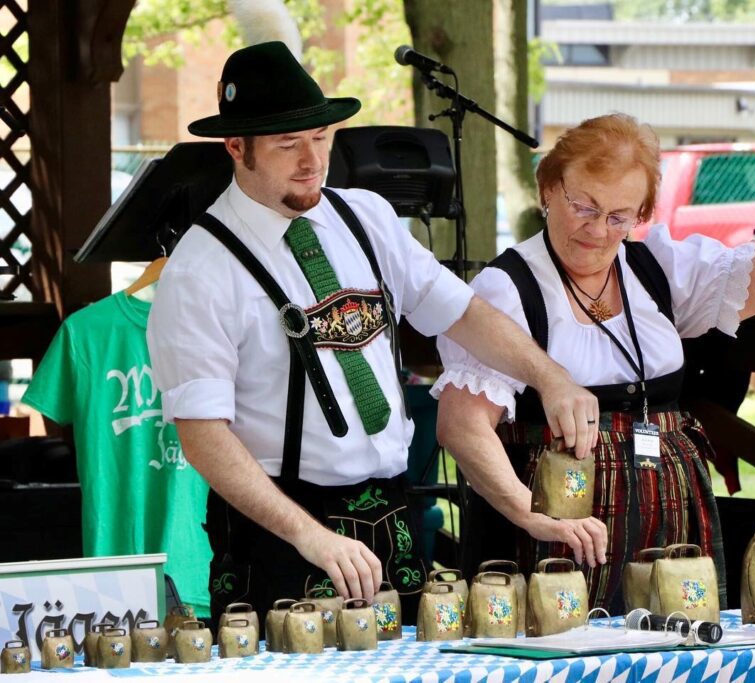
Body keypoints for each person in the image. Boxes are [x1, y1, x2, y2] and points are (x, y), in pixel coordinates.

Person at [146, 41, 599, 625]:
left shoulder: (366, 216)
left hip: (391, 509)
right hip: (282, 527)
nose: (312, 160)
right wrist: (308, 536)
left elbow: (459, 312)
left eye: (321, 138)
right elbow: (203, 436)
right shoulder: (199, 269)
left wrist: (550, 377)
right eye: (288, 145)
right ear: (237, 147)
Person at [433, 113, 755, 613]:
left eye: (618, 216)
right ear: (547, 188)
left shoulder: (654, 268)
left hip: (668, 520)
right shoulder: (508, 289)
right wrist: (532, 515)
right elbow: (463, 426)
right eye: (583, 206)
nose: (597, 230)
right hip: (559, 537)